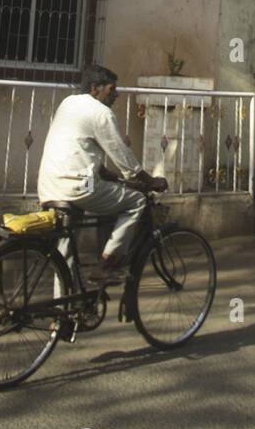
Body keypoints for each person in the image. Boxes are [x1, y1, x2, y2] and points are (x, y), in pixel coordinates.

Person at [37, 65, 167, 275]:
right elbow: (122, 155)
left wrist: (111, 176)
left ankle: (67, 302)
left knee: (65, 249)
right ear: (95, 88)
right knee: (137, 201)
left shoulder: (68, 103)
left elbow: (81, 150)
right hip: (79, 185)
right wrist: (149, 180)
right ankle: (109, 261)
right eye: (111, 89)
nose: (115, 95)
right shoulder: (101, 113)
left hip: (50, 185)